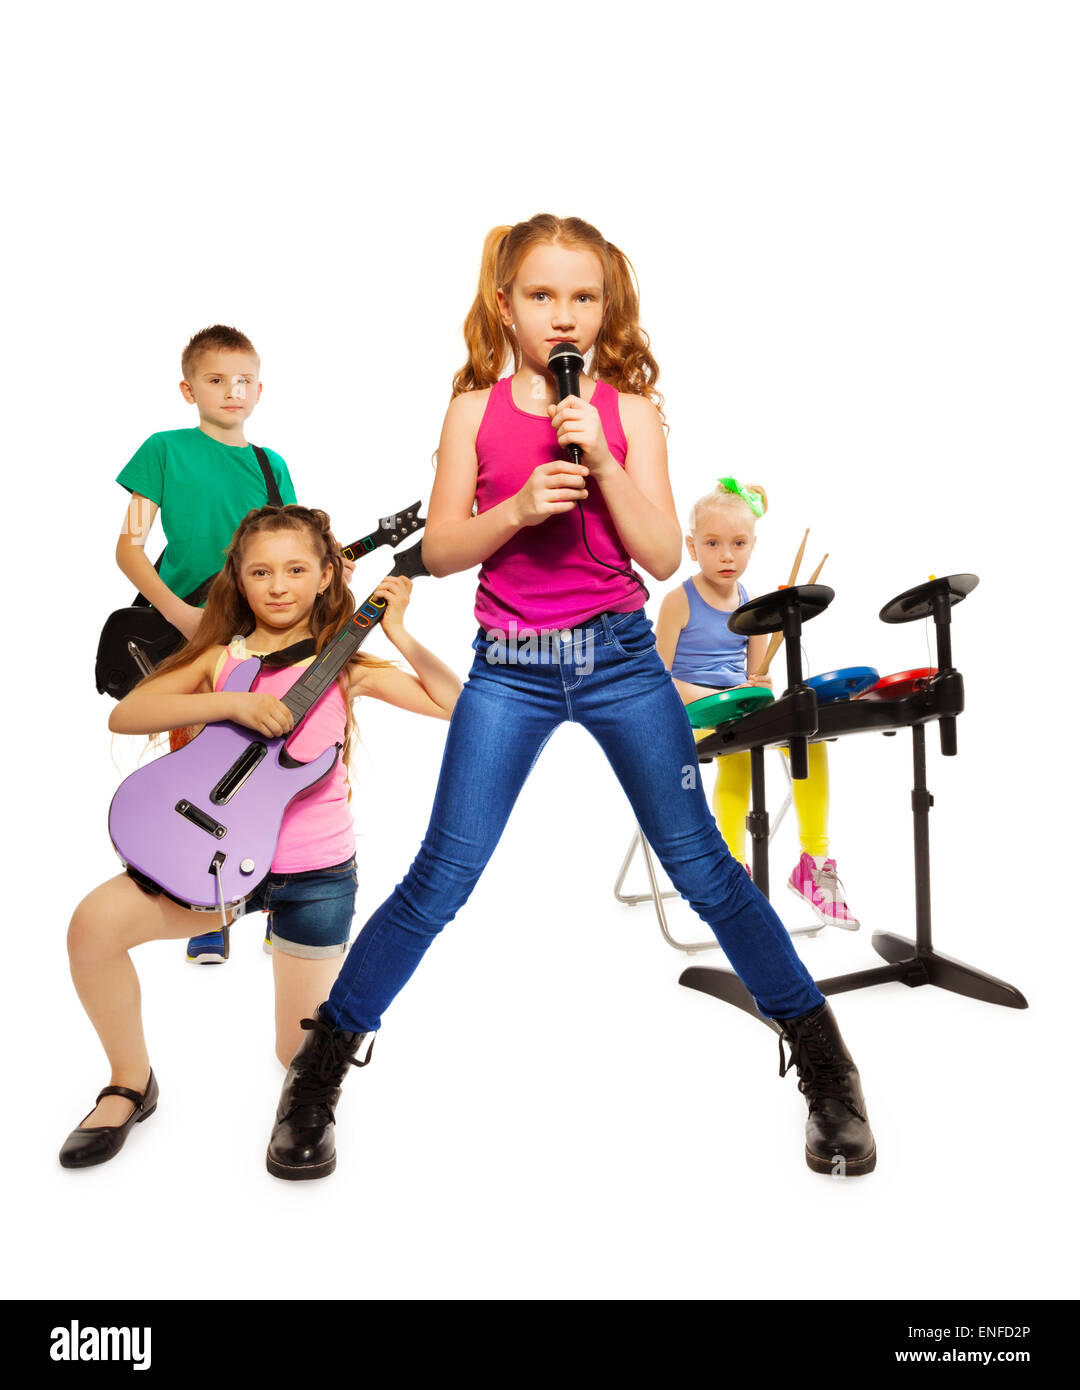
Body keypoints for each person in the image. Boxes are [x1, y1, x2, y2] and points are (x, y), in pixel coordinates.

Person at [265, 213, 877, 1183]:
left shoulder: (628, 409)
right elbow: (450, 545)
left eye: (582, 297)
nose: (563, 314)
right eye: (542, 295)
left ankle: (828, 1069)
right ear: (506, 305)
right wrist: (513, 511)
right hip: (509, 665)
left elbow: (665, 554)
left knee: (706, 870)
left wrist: (600, 454)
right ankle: (317, 1075)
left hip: (624, 659)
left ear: (605, 309)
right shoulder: (473, 409)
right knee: (441, 879)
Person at [60, 505, 461, 1169]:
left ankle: (306, 1101)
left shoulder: (349, 666)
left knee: (292, 1053)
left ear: (329, 574)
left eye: (297, 569)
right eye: (262, 572)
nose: (279, 586)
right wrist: (231, 702)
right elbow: (129, 712)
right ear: (239, 582)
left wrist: (403, 634)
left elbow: (457, 705)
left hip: (315, 876)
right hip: (209, 863)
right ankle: (129, 1082)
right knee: (92, 928)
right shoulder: (224, 659)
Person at [113, 324, 350, 963]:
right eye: (216, 380)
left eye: (243, 380)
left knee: (278, 755)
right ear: (188, 388)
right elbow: (129, 546)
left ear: (260, 389)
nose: (231, 391)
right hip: (189, 622)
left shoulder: (271, 465)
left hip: (257, 628)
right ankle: (203, 899)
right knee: (196, 757)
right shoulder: (164, 450)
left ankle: (282, 887)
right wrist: (184, 616)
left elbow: (293, 541)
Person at [655, 478, 859, 928]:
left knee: (807, 732)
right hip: (693, 714)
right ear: (692, 547)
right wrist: (715, 698)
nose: (727, 555)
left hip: (738, 711)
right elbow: (655, 680)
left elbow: (756, 678)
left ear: (752, 546)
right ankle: (732, 867)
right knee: (739, 747)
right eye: (713, 543)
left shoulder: (753, 605)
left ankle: (814, 863)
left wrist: (758, 684)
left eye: (738, 543)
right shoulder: (678, 602)